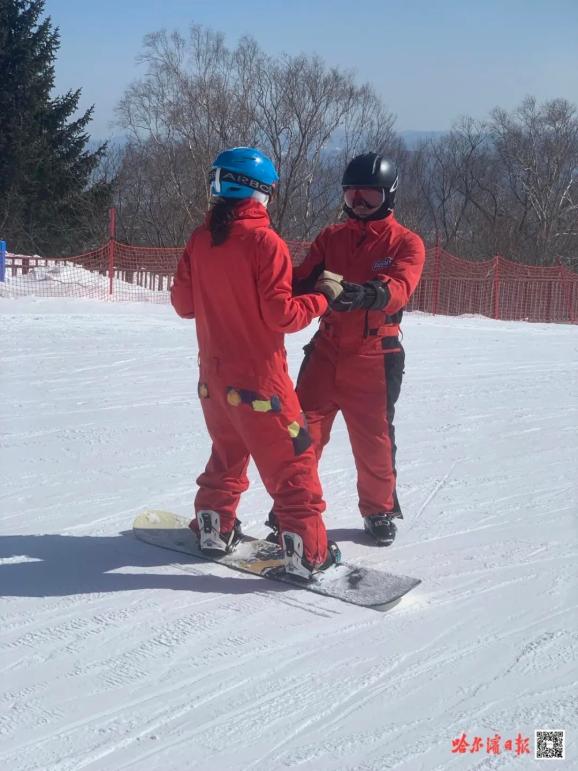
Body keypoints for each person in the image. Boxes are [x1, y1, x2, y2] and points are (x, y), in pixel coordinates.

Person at [170, 146, 342, 579]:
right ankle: (308, 552)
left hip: (213, 380)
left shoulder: (201, 237)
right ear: (261, 191)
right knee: (294, 461)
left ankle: (214, 524)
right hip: (261, 383)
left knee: (228, 451)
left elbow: (182, 304)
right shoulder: (266, 242)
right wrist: (325, 296)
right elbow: (282, 316)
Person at [268, 153, 425, 547]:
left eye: (368, 195)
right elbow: (302, 278)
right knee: (301, 432)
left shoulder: (406, 242)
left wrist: (368, 293)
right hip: (326, 351)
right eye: (352, 194)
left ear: (388, 196)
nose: (358, 203)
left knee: (373, 440)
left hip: (376, 356)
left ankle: (379, 510)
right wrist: (271, 277)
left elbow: (399, 288)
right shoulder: (332, 236)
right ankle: (291, 507)